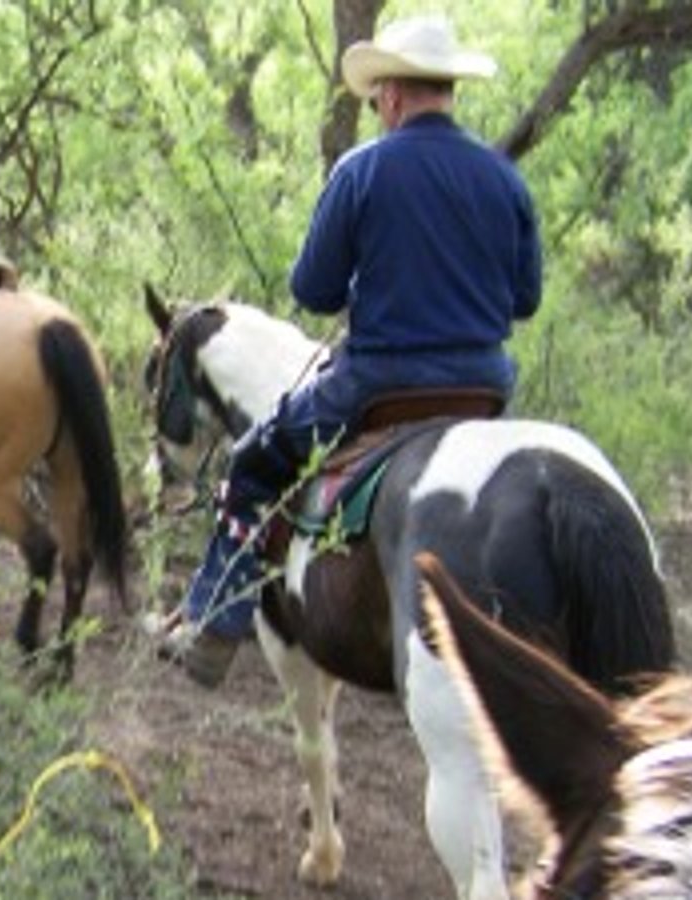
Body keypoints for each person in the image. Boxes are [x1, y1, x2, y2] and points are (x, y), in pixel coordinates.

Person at [157, 15, 542, 686]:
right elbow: (525, 300)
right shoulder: (503, 179)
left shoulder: (362, 170)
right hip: (483, 387)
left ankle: (214, 626)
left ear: (390, 95)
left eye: (375, 100)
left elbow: (313, 289)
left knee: (251, 465)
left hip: (379, 385)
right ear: (446, 90)